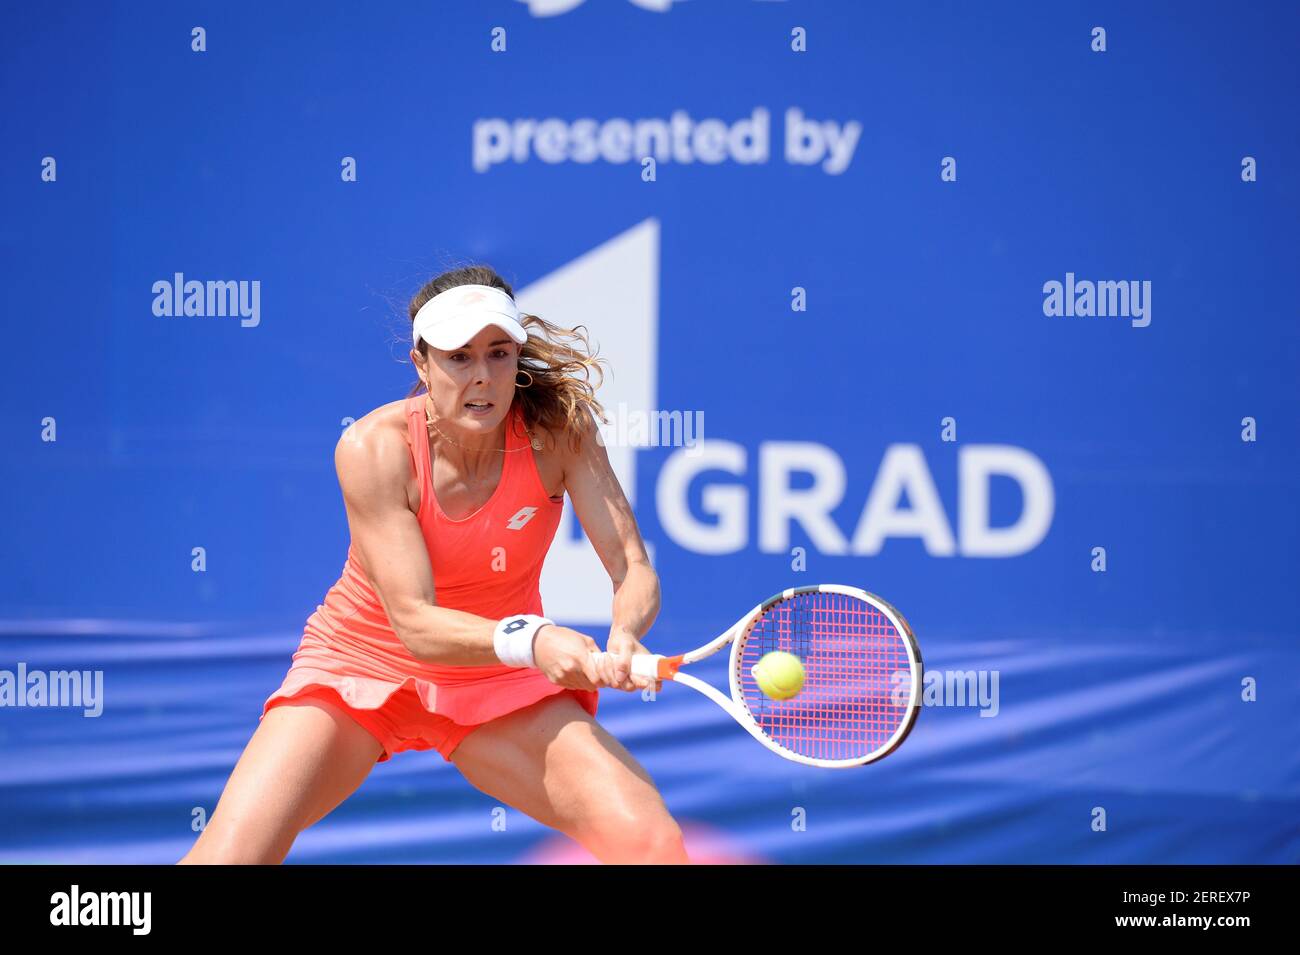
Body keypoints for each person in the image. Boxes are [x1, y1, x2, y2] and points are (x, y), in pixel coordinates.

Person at [179, 265, 688, 864]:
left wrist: (625, 634)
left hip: (499, 683)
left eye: (498, 354)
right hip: (361, 663)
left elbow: (633, 568)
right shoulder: (374, 448)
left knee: (652, 843)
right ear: (421, 365)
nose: (481, 377)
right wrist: (538, 639)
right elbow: (416, 624)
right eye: (458, 357)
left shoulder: (560, 433)